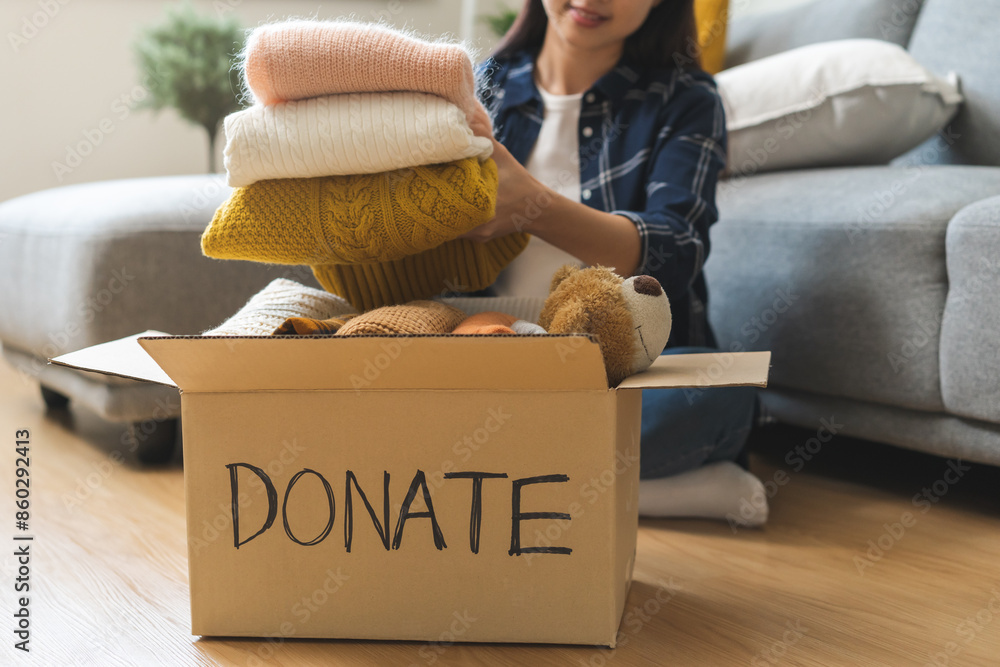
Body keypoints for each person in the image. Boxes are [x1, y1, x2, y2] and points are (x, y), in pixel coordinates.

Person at [461, 0, 768, 526]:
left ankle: (495, 477)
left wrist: (532, 206)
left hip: (621, 370)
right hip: (496, 354)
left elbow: (674, 251)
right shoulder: (481, 88)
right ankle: (672, 492)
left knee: (718, 399)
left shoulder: (686, 98)